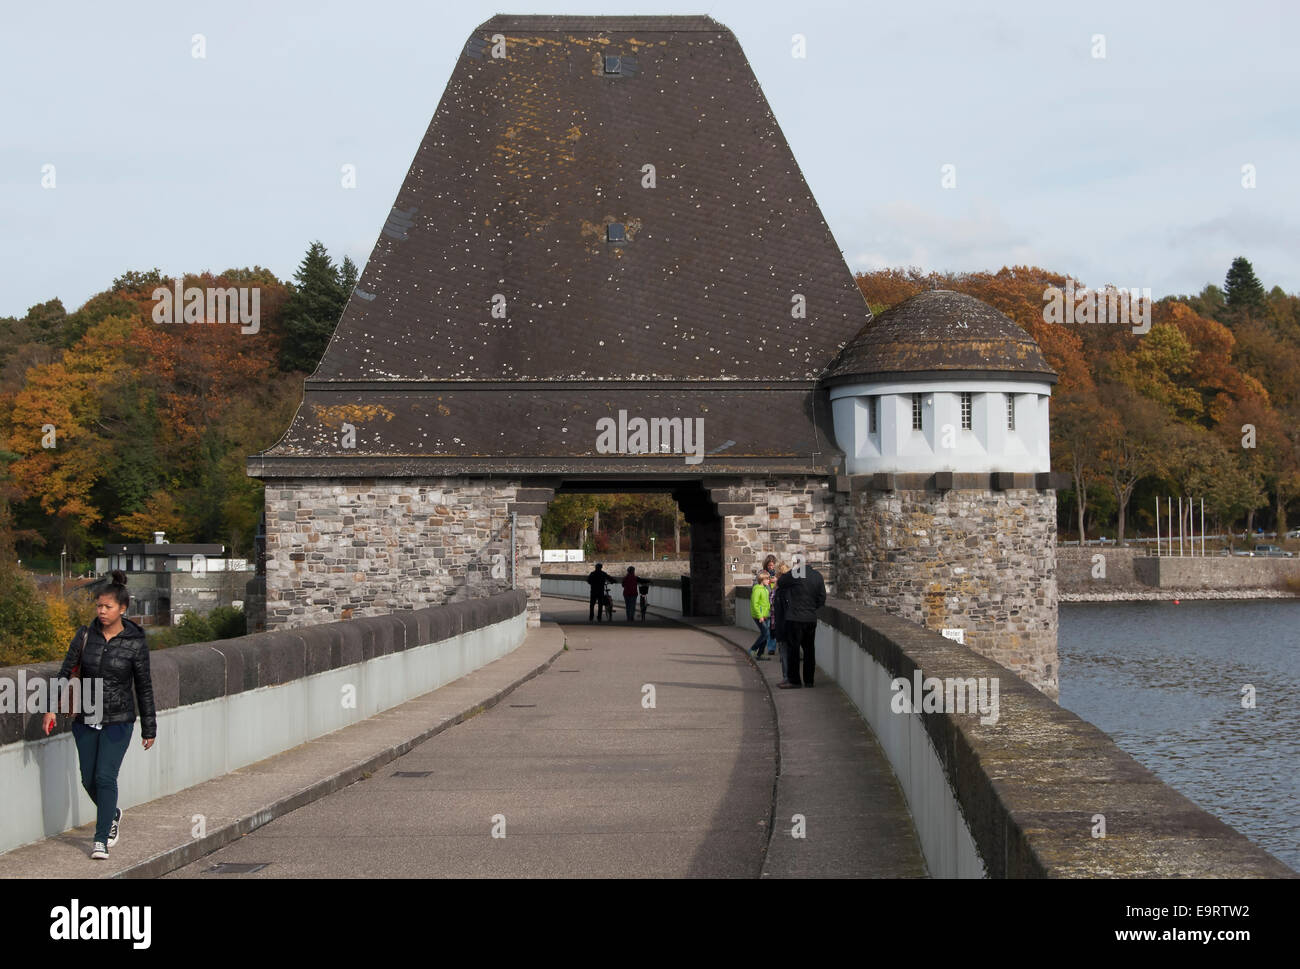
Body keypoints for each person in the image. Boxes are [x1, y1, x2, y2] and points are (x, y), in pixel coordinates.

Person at [41, 571, 156, 859]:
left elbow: (144, 686)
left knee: (105, 777)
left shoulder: (135, 642)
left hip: (119, 719)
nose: (101, 611)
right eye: (98, 606)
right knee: (88, 779)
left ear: (122, 609)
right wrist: (51, 707)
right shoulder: (84, 635)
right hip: (86, 716)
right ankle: (112, 812)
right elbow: (65, 671)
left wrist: (149, 727)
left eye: (107, 607)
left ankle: (100, 838)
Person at [775, 559, 826, 689]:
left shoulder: (797, 573)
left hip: (795, 618)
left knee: (794, 650)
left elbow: (780, 582)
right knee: (809, 650)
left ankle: (794, 680)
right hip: (810, 618)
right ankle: (809, 681)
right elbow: (821, 598)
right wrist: (811, 609)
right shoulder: (818, 576)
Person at [770, 562, 791, 677]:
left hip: (781, 624)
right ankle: (790, 677)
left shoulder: (778, 591)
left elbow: (773, 607)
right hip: (791, 623)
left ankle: (786, 677)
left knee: (784, 652)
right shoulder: (792, 588)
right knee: (790, 651)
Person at [749, 571, 772, 660]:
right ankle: (753, 649)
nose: (769, 581)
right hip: (759, 616)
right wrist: (760, 616)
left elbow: (765, 603)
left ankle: (760, 654)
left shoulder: (765, 589)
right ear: (762, 580)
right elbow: (755, 604)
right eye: (767, 579)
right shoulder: (757, 589)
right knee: (766, 633)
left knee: (765, 634)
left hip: (765, 615)